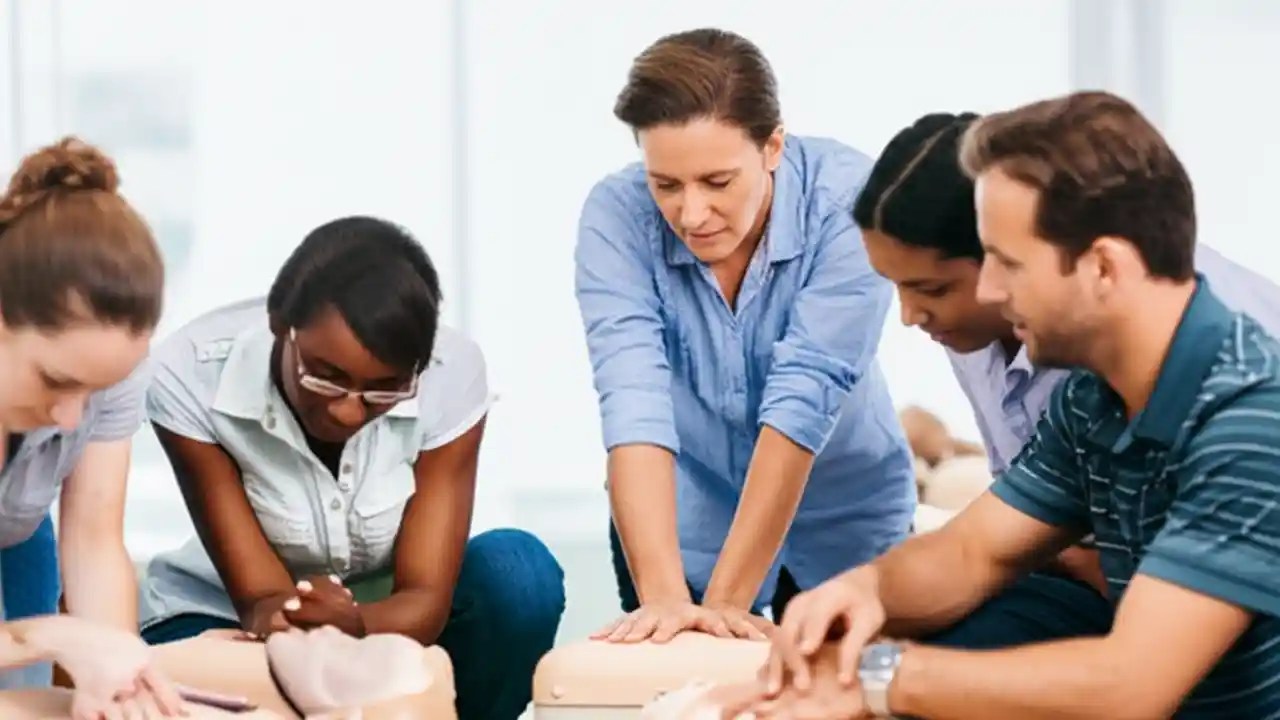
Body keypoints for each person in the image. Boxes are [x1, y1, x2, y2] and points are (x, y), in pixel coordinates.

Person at [727, 91, 1280, 718]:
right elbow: (973, 552)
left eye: (1007, 264)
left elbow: (1128, 684)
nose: (988, 290)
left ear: (1103, 267)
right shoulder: (1091, 393)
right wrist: (865, 590)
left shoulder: (1252, 416)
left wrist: (879, 679)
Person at [137, 216, 565, 720]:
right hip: (227, 614)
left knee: (519, 575)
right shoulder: (189, 375)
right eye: (325, 377)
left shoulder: (451, 374)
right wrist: (321, 625)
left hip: (386, 615)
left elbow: (425, 601)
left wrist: (358, 624)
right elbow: (262, 600)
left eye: (383, 389)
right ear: (281, 324)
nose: (347, 410)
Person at [575, 27, 915, 644]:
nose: (692, 214)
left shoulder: (850, 201)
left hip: (845, 525)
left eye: (718, 182)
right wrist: (668, 608)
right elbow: (632, 403)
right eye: (667, 186)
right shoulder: (616, 216)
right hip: (680, 534)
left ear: (773, 147)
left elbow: (804, 398)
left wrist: (727, 610)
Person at [864, 111, 1280, 601]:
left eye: (933, 289)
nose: (910, 317)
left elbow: (1140, 658)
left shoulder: (1239, 394)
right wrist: (855, 598)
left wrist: (897, 673)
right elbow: (992, 539)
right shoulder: (1070, 387)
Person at [0, 136, 184, 718]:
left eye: (96, 390)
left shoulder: (106, 365)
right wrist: (54, 638)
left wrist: (118, 675)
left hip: (18, 536)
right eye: (54, 381)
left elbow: (94, 536)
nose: (72, 418)